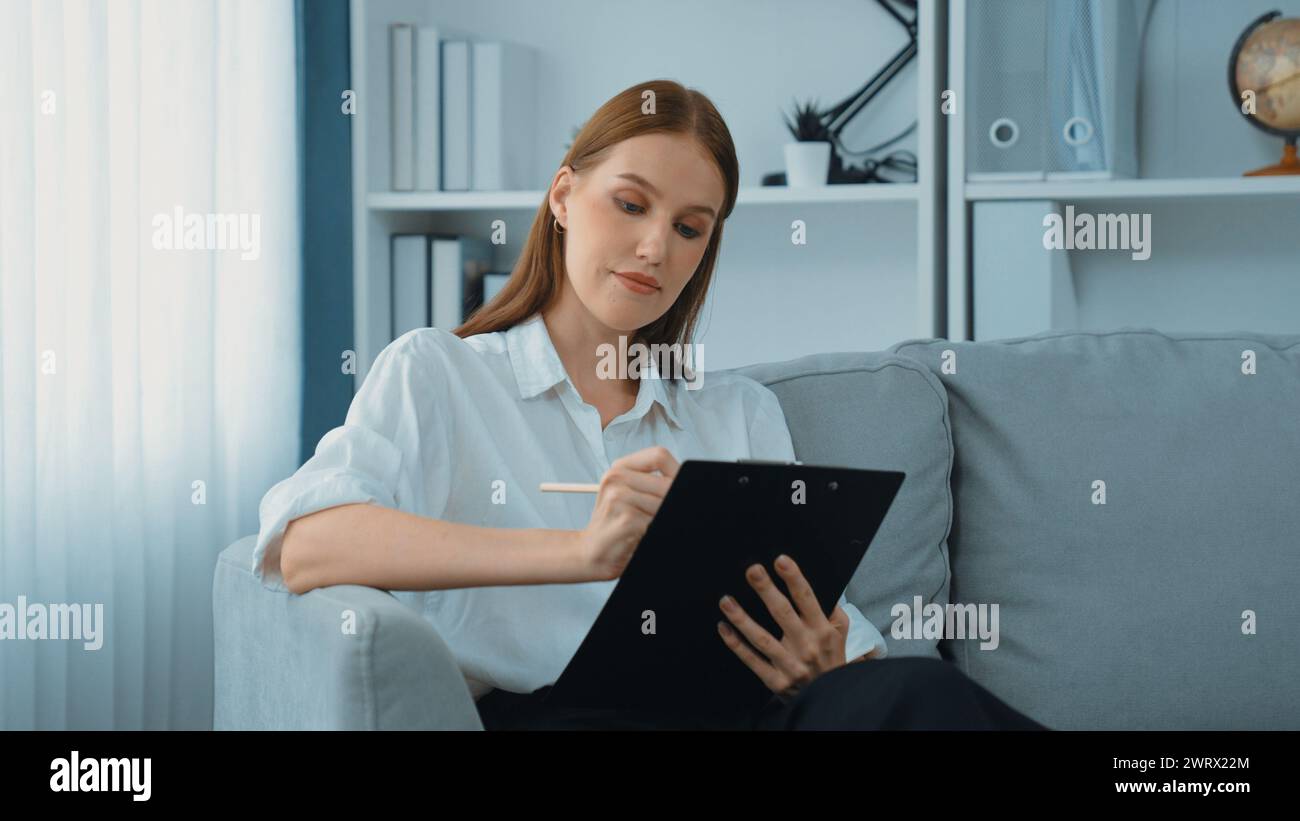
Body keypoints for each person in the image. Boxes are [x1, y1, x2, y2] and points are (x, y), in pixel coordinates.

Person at [251, 78, 1047, 732]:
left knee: (918, 692)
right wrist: (581, 554)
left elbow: (846, 641)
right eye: (630, 204)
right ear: (564, 196)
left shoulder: (735, 414)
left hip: (753, 711)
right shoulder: (441, 374)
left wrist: (825, 659)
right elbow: (307, 548)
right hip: (559, 717)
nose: (656, 248)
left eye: (689, 227)